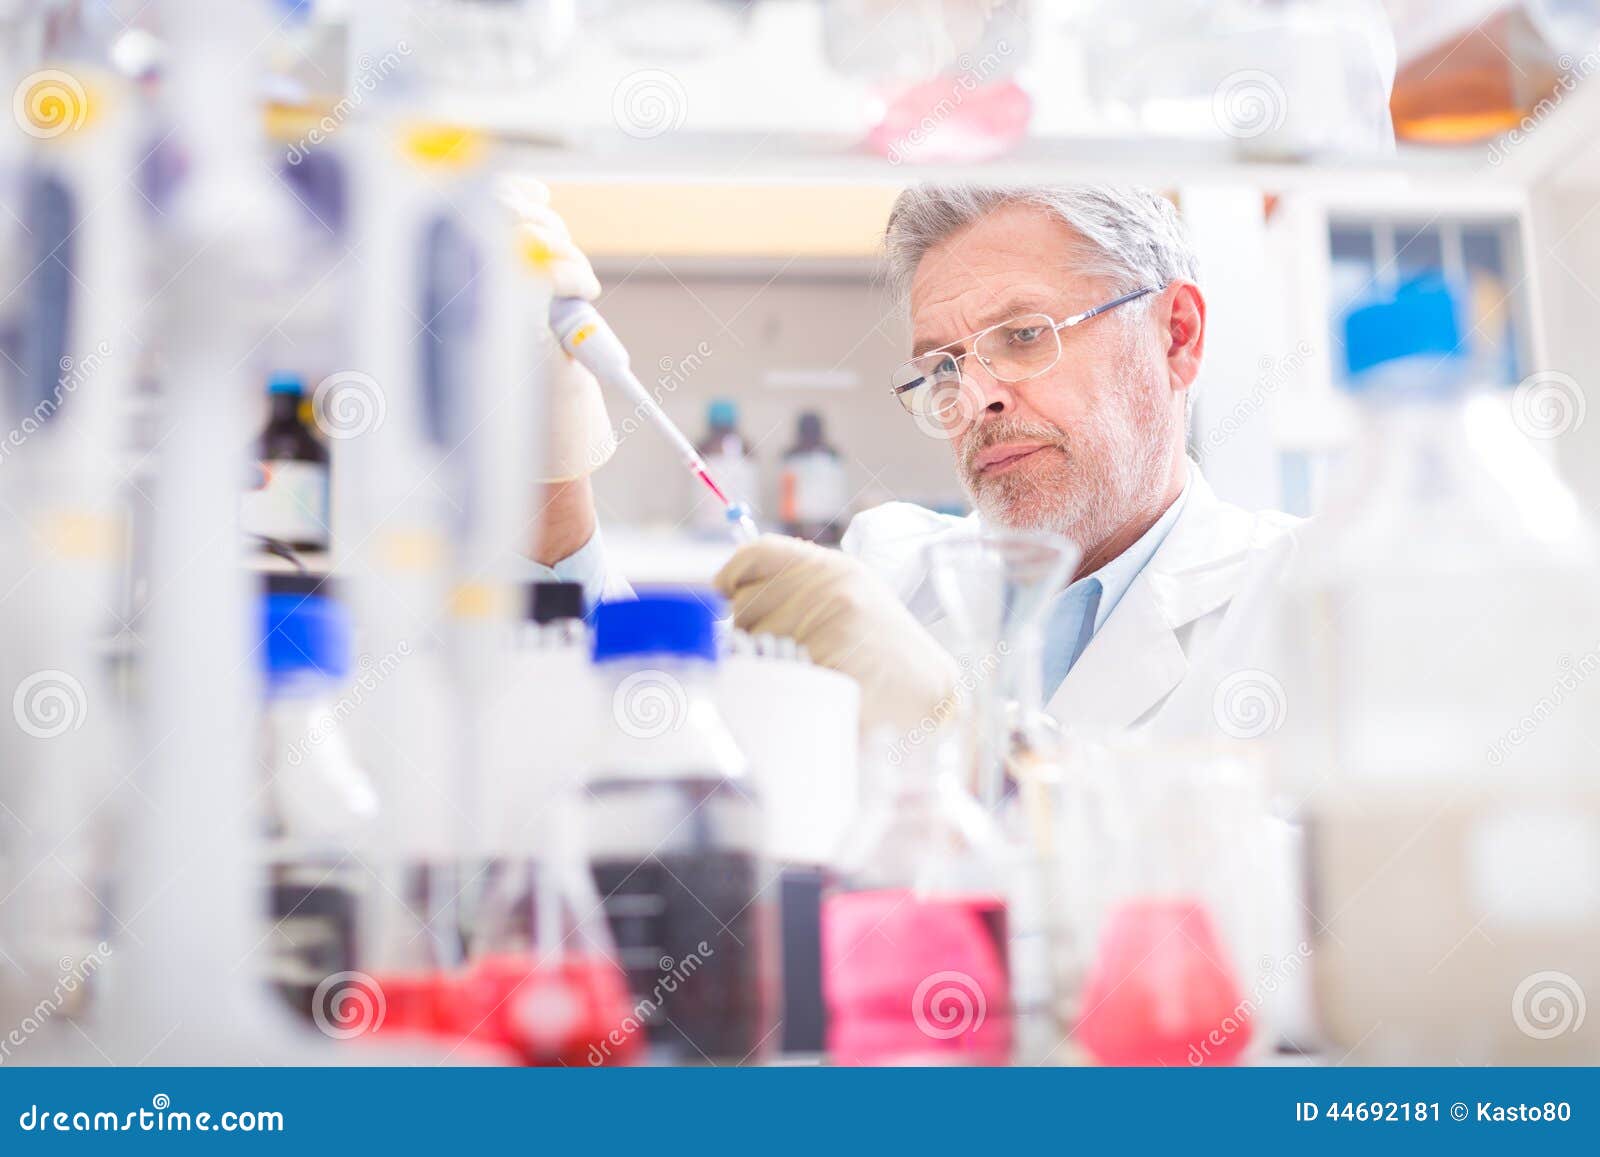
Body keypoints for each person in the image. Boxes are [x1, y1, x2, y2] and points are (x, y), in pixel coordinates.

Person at [522, 180, 1300, 737]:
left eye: (1025, 335)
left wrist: (947, 724)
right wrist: (552, 469)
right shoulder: (888, 570)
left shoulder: (1298, 601)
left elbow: (1249, 900)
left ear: (1177, 336)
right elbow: (673, 738)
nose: (974, 399)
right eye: (944, 367)